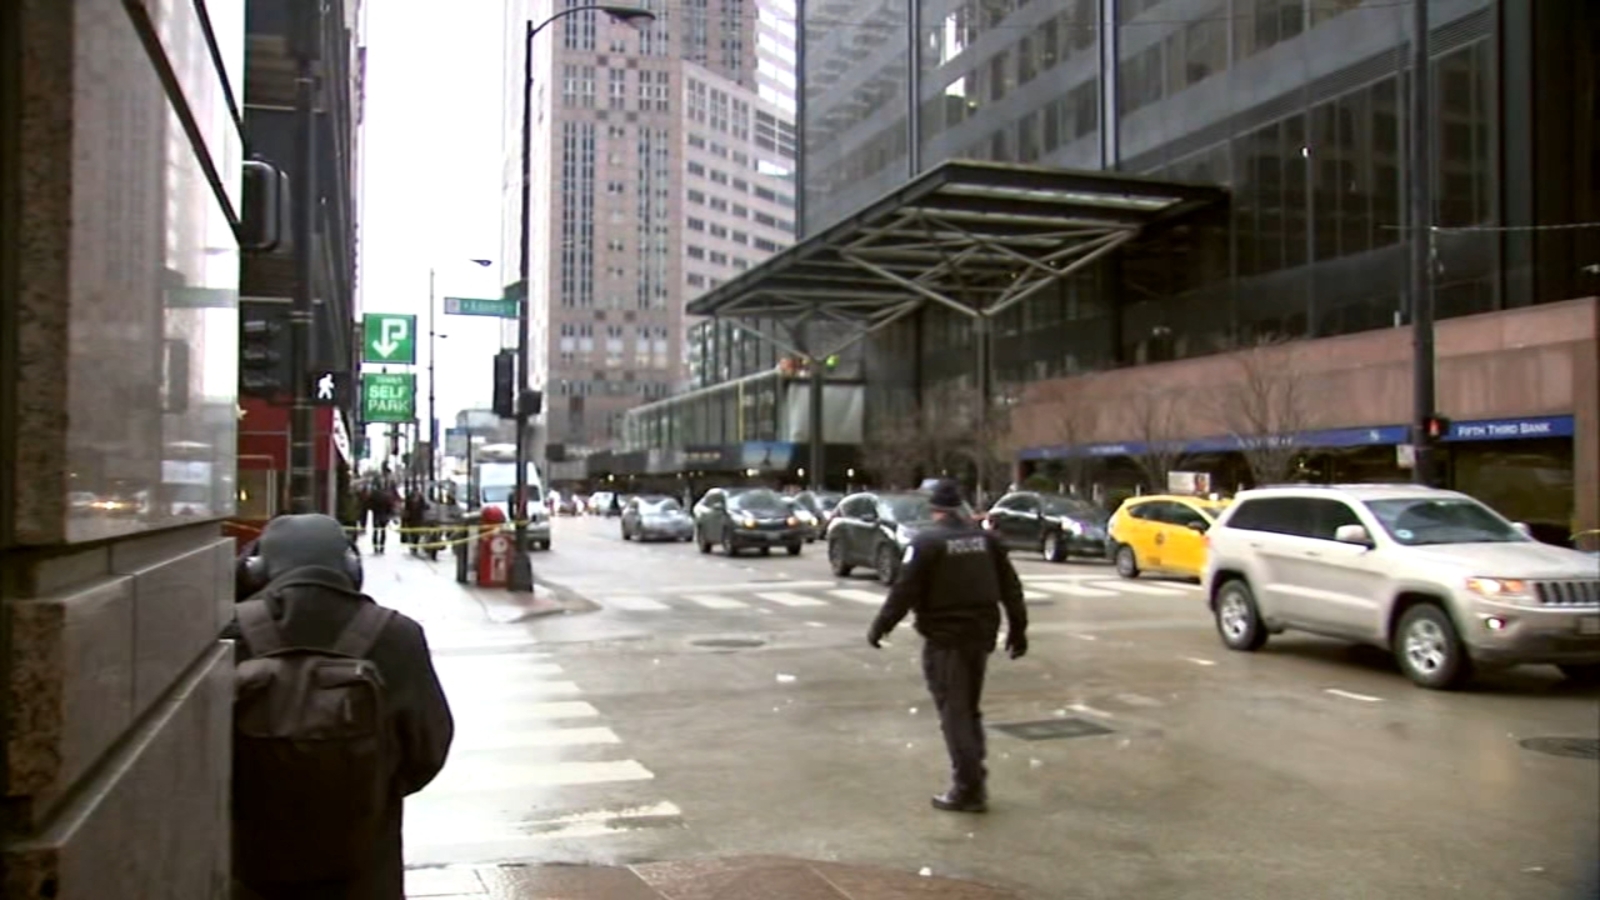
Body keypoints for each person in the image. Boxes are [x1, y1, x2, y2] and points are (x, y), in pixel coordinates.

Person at [224, 513, 454, 900]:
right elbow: (427, 750)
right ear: (351, 565)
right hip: (364, 864)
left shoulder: (230, 632)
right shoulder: (396, 635)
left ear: (258, 569)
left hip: (252, 863)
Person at [866, 478, 1027, 813]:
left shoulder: (927, 544)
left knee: (955, 714)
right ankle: (974, 779)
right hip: (980, 635)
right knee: (968, 708)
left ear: (935, 509)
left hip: (945, 639)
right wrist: (1018, 629)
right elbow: (1011, 587)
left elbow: (904, 590)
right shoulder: (986, 540)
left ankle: (968, 788)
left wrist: (881, 627)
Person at [366, 480, 396, 554]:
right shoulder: (385, 495)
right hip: (384, 515)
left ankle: (375, 547)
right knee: (383, 531)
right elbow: (390, 506)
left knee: (375, 531)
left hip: (376, 515)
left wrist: (373, 509)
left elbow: (368, 505)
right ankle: (382, 547)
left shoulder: (374, 494)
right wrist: (389, 513)